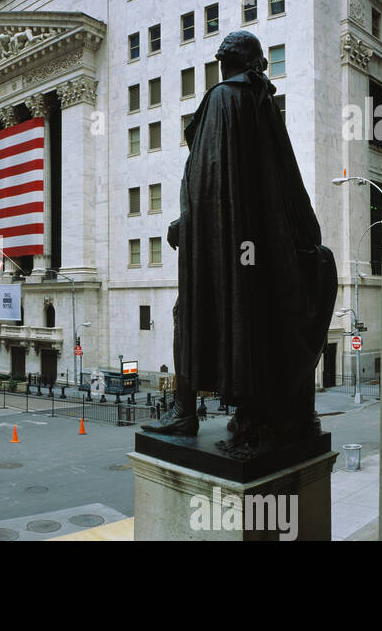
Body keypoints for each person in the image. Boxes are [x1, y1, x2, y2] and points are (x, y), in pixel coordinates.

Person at [141, 31, 337, 455]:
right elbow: (269, 184)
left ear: (224, 62)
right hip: (262, 248)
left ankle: (183, 412)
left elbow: (208, 181)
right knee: (246, 319)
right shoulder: (261, 102)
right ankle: (240, 413)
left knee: (186, 315)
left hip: (226, 247)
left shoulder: (224, 99)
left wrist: (186, 227)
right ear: (256, 63)